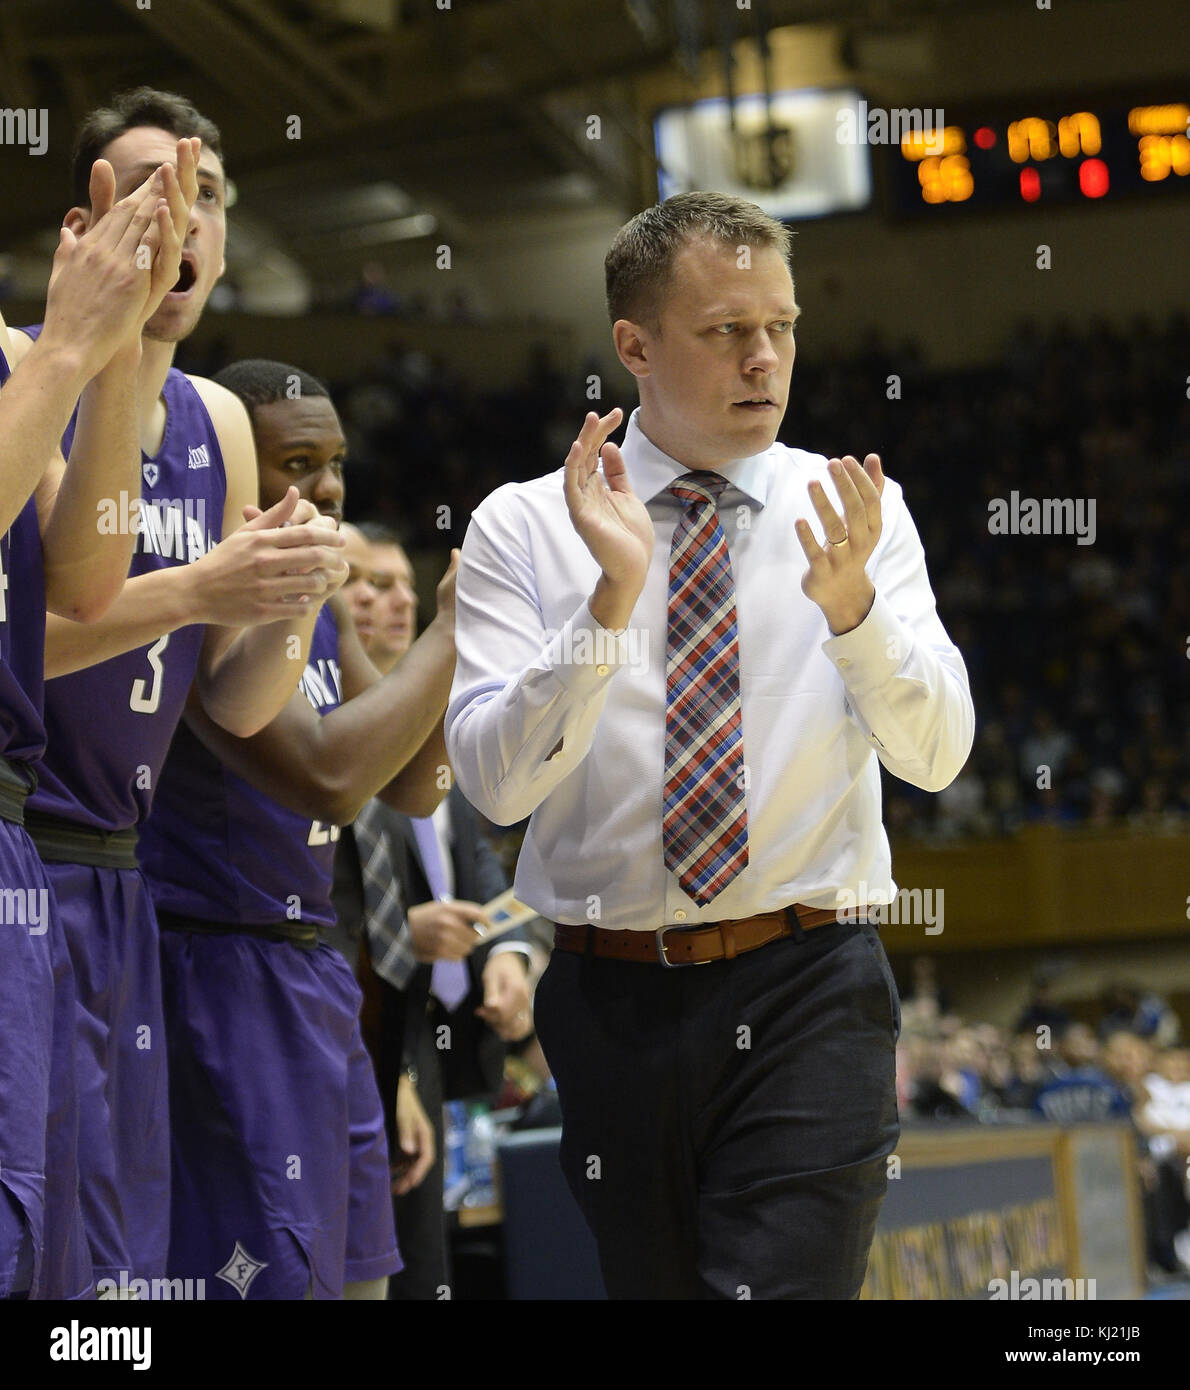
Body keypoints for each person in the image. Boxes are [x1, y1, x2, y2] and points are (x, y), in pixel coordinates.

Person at [445, 191, 975, 1299]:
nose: (763, 357)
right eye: (725, 330)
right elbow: (493, 784)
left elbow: (937, 756)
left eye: (779, 327)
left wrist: (855, 623)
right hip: (609, 996)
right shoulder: (525, 522)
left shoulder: (852, 511)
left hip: (808, 982)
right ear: (632, 346)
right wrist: (608, 605)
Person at [8, 89, 348, 1290]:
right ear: (90, 221)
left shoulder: (217, 419)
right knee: (31, 1235)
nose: (184, 215)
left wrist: (289, 587)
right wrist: (210, 584)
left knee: (119, 1257)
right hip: (26, 844)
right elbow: (38, 627)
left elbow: (241, 705)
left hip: (123, 870)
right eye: (153, 185)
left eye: (204, 194)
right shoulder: (19, 369)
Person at [137, 361, 457, 1297]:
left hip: (315, 973)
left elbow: (418, 787)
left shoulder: (322, 600)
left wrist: (454, 640)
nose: (325, 488)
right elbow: (328, 779)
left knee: (361, 1282)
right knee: (267, 1282)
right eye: (298, 462)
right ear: (240, 475)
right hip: (217, 969)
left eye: (336, 463)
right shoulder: (210, 599)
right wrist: (451, 629)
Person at [0, 152, 190, 1300]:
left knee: (47, 1249)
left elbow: (84, 576)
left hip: (11, 828)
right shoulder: (36, 353)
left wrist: (113, 348)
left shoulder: (16, 356)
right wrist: (71, 342)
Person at [331, 523, 533, 1300]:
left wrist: (512, 955)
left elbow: (483, 868)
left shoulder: (438, 721)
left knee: (426, 1272)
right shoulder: (322, 720)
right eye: (370, 583)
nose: (394, 601)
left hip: (439, 1049)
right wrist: (400, 934)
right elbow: (312, 895)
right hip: (363, 1028)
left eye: (405, 588)